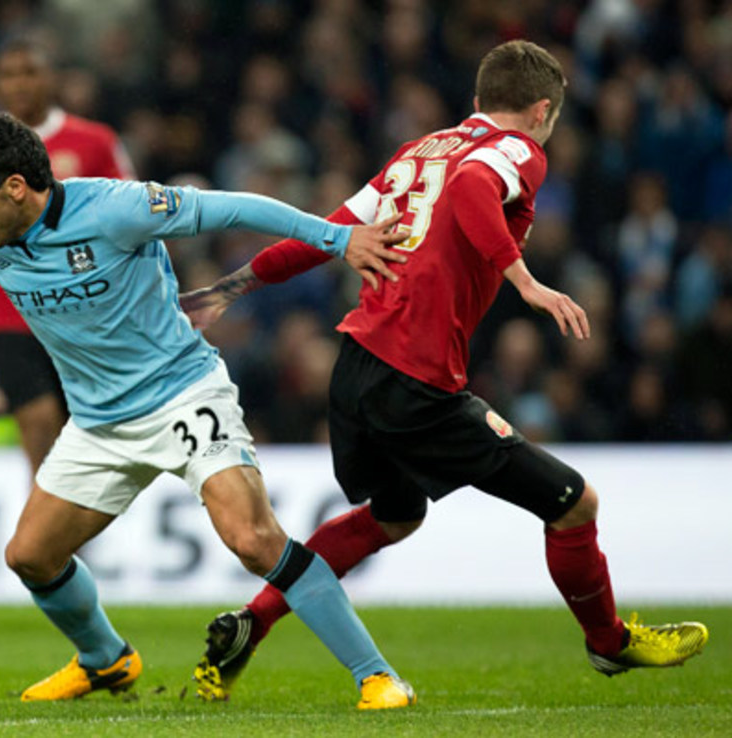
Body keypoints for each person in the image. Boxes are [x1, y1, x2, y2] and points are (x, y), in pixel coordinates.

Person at [0, 113, 418, 709]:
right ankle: (107, 662)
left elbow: (232, 206)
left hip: (182, 394)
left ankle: (376, 676)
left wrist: (339, 239)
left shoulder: (116, 208)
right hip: (99, 424)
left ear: (15, 186)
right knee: (30, 556)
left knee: (252, 539)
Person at [180, 40, 709, 701]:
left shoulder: (419, 151)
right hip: (414, 379)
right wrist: (525, 280)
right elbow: (470, 188)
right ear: (542, 110)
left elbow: (330, 232)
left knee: (396, 515)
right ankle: (609, 644)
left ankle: (250, 625)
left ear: (478, 99)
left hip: (355, 369)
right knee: (574, 504)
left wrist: (232, 286)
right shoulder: (520, 151)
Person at [0, 38, 136, 475]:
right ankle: (48, 539)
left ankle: (61, 533)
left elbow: (130, 211)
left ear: (52, 77)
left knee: (79, 430)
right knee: (38, 423)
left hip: (78, 306)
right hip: (4, 307)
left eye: (29, 72)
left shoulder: (93, 142)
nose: (19, 84)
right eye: (8, 75)